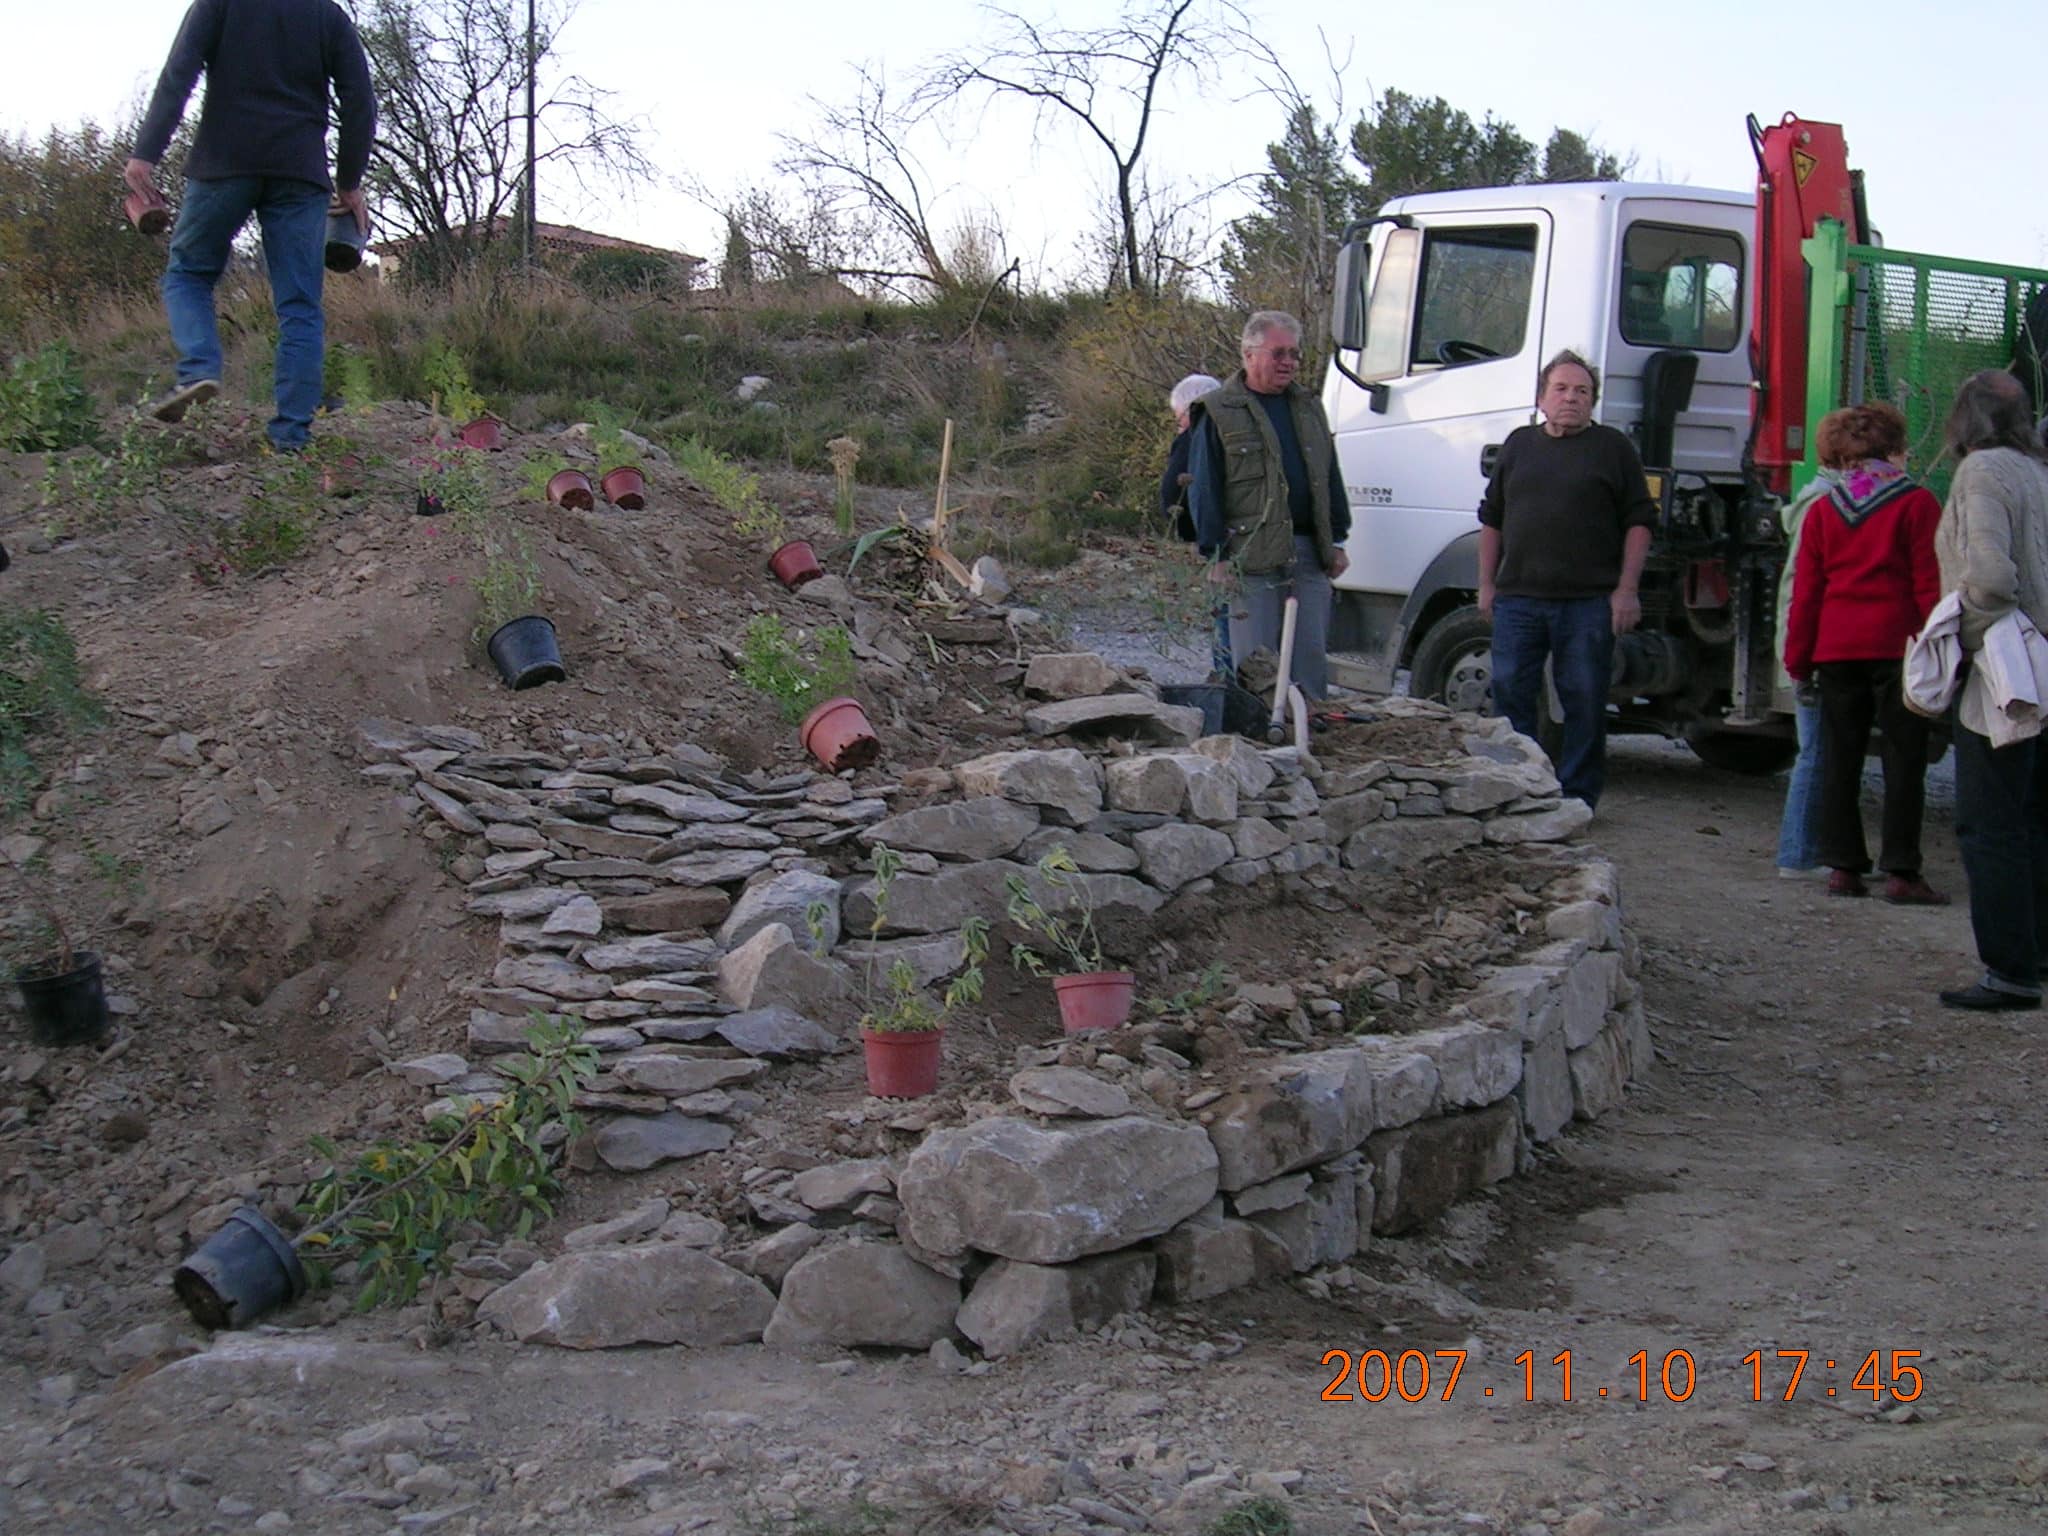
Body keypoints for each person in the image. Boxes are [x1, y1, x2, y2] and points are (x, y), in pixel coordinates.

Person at [125, 0, 376, 454]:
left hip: (223, 163)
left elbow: (178, 74)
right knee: (300, 305)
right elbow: (360, 100)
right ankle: (291, 437)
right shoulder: (327, 16)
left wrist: (146, 152)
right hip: (299, 172)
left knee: (188, 273)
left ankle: (199, 367)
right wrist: (350, 182)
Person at [1477, 350, 1656, 810]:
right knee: (1510, 694)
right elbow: (1492, 519)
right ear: (1542, 397)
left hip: (1588, 602)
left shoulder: (1613, 449)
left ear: (1593, 400)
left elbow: (1640, 522)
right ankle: (1517, 787)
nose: (1571, 398)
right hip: (1519, 599)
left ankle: (1578, 798)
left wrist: (1627, 590)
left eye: (1582, 391)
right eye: (1561, 389)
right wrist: (1486, 584)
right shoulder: (1519, 445)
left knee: (1585, 700)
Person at [1781, 404, 1945, 903]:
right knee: (1904, 760)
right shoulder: (1917, 503)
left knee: (1839, 758)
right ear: (1892, 445)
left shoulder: (1824, 510)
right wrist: (1940, 647)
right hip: (1899, 648)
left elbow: (1807, 592)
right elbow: (1928, 585)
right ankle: (1902, 872)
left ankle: (1843, 867)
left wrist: (1798, 659)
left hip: (1836, 649)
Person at [1934, 371, 2048, 1009]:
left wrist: (1964, 636)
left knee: (1989, 821)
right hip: (2045, 664)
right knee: (2032, 817)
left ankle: (2008, 971)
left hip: (2004, 675)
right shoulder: (2037, 470)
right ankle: (2035, 953)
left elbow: (1990, 576)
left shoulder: (1981, 472)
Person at [1186, 312, 1352, 700]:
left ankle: (1307, 724)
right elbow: (1204, 488)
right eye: (1279, 353)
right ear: (1249, 354)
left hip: (1309, 550)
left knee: (1310, 658)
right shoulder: (1218, 410)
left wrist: (1338, 539)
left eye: (1294, 354)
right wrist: (1216, 555)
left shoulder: (1309, 407)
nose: (1289, 362)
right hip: (1250, 555)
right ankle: (1257, 728)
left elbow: (1329, 475)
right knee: (1256, 663)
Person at [1773, 464, 1839, 878]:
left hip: (1803, 644)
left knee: (1815, 749)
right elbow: (1806, 589)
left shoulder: (1814, 502)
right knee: (1816, 750)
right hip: (1811, 647)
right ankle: (1798, 852)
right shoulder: (1825, 506)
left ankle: (1802, 850)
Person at [1161, 373, 1230, 677]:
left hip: (1222, 544)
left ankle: (1229, 687)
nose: (1179, 425)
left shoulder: (1196, 437)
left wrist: (1195, 535)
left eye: (1178, 418)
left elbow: (1172, 492)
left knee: (1226, 621)